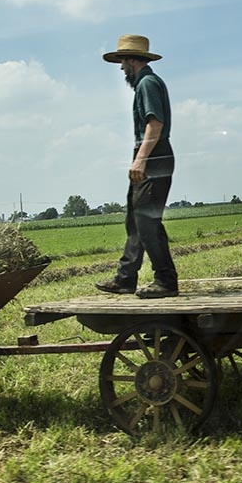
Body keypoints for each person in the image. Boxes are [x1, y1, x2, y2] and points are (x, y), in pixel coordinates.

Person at [95, 34, 179, 298]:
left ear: (132, 60)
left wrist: (141, 159)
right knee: (136, 219)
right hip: (149, 154)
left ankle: (166, 281)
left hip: (154, 155)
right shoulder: (146, 83)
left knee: (147, 221)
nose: (121, 68)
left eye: (122, 61)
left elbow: (155, 124)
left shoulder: (148, 83)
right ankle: (125, 279)